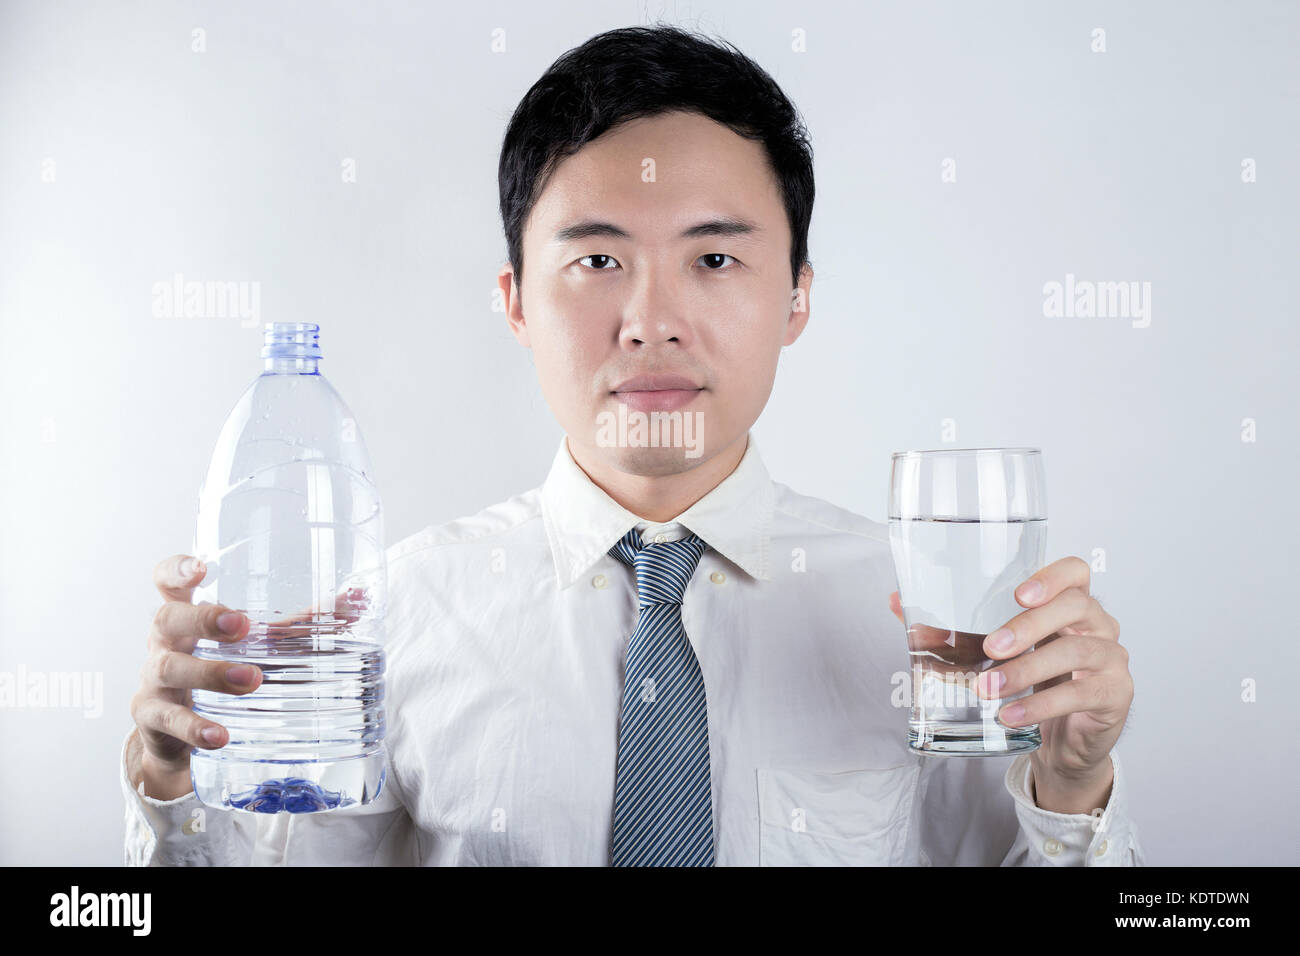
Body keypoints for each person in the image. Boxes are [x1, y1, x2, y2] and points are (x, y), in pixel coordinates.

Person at [123, 24, 1141, 866]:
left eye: (713, 256)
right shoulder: (391, 618)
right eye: (599, 256)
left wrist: (1071, 779)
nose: (651, 319)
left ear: (796, 297)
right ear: (514, 302)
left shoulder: (934, 626)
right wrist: (177, 792)